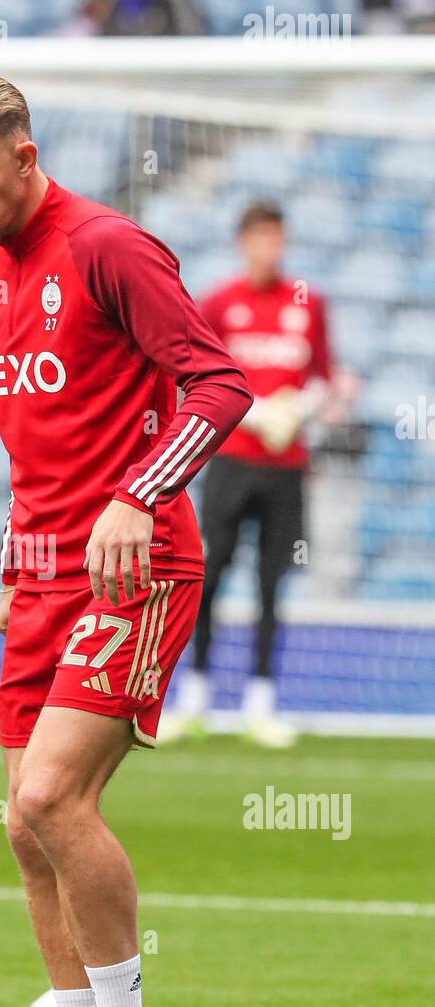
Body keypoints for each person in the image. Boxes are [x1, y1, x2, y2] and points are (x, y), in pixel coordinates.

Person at [0, 73, 252, 1007]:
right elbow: (35, 443)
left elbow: (219, 388)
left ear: (24, 155)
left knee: (54, 798)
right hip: (41, 573)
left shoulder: (109, 245)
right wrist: (20, 561)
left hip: (135, 565)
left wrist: (134, 495)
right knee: (21, 824)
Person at [168, 203, 335, 750]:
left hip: (286, 468)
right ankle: (193, 697)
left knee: (272, 582)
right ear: (243, 241)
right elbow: (194, 376)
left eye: (277, 239)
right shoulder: (220, 302)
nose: (270, 249)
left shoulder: (307, 304)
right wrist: (257, 411)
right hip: (232, 459)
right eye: (261, 238)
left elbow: (324, 379)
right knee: (208, 575)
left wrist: (300, 410)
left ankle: (260, 703)